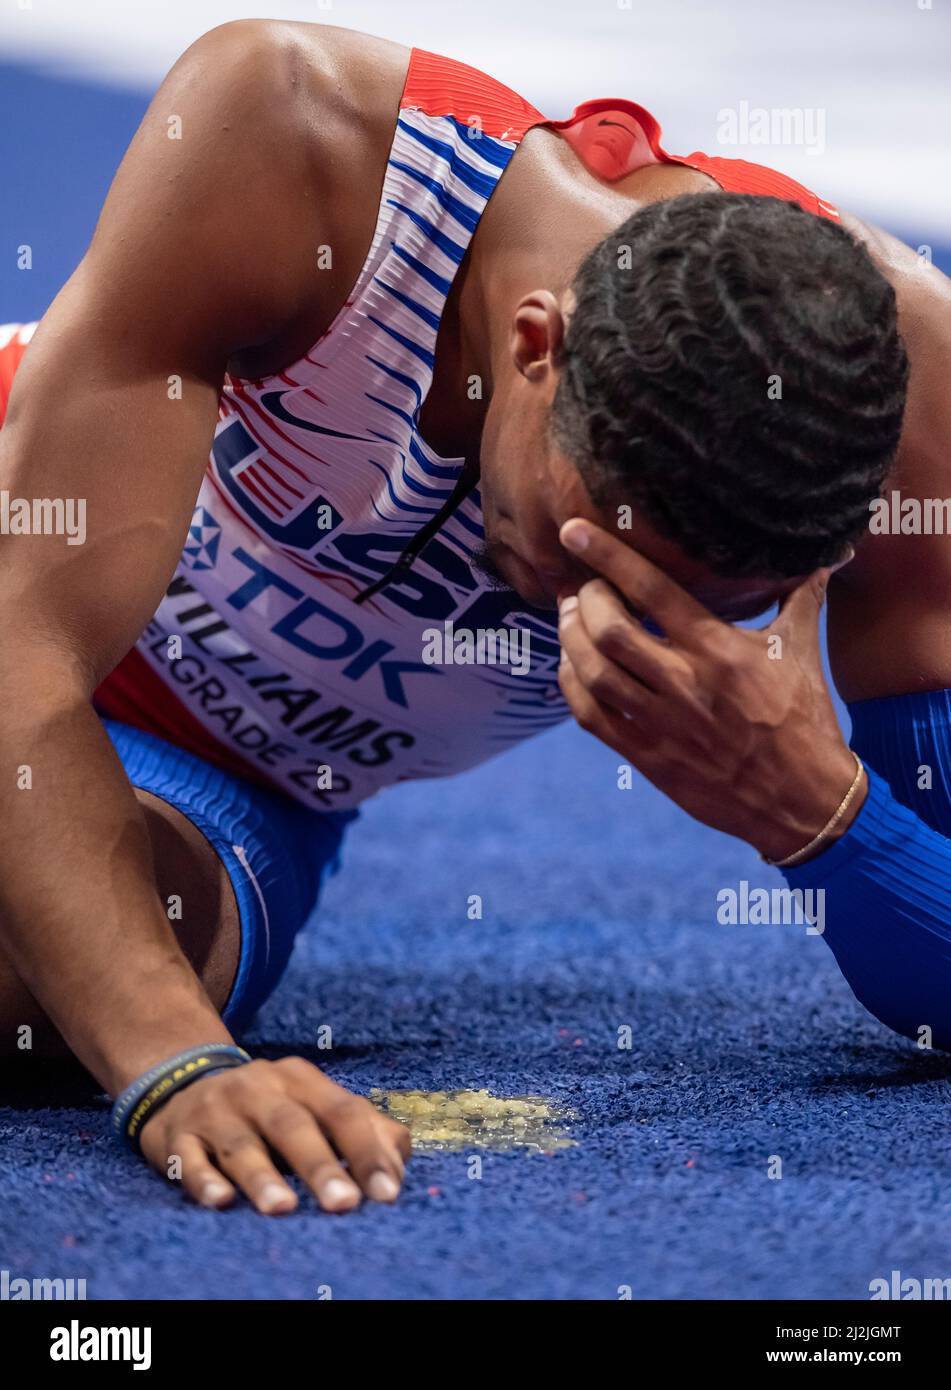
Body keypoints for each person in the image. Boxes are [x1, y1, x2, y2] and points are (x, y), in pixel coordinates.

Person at [1, 21, 947, 1217]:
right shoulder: (294, 140)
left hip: (226, 784)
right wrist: (175, 1066)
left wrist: (821, 814)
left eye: (691, 615)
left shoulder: (918, 411)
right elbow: (19, 650)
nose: (604, 607)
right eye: (587, 547)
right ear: (534, 346)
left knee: (46, 981)